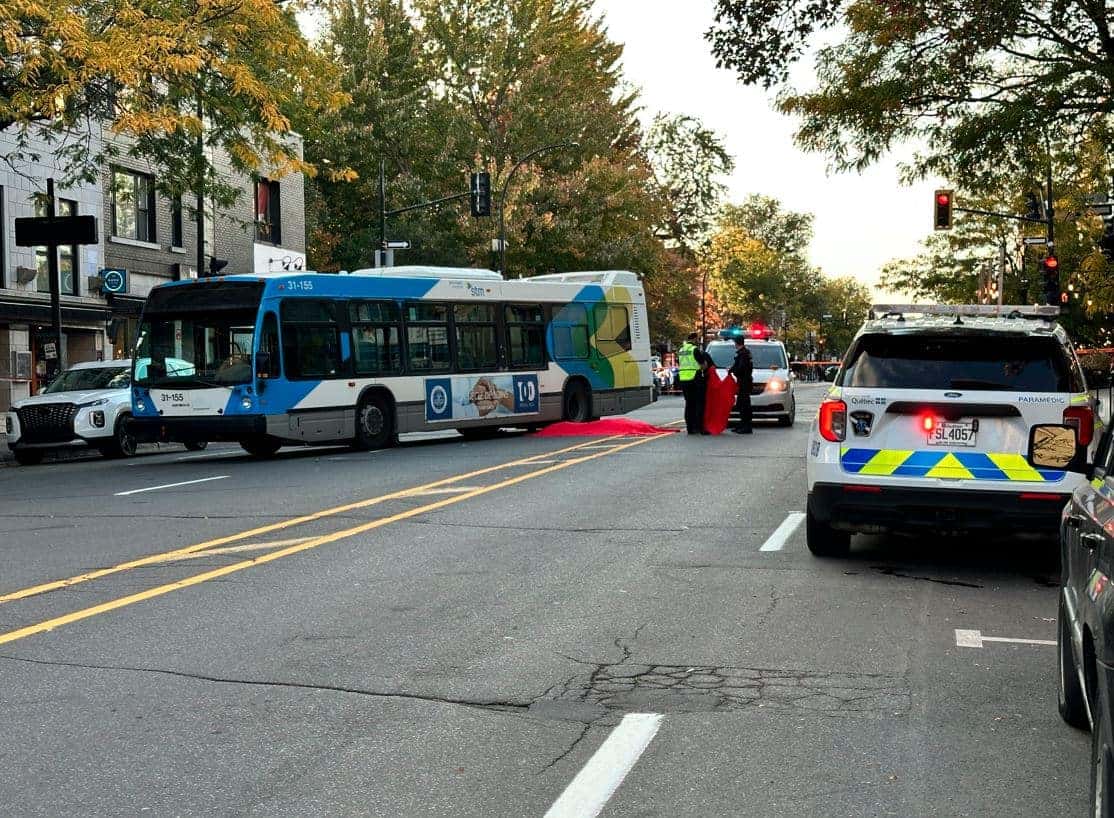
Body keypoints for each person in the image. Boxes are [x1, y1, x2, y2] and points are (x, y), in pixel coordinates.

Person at [677, 332, 710, 434]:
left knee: (689, 404)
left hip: (683, 379)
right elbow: (703, 365)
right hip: (695, 378)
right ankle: (700, 428)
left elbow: (680, 363)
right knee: (699, 403)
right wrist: (705, 367)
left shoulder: (681, 350)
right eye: (697, 339)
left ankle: (690, 428)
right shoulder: (694, 350)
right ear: (695, 339)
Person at [730, 335, 753, 434]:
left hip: (744, 382)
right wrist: (730, 370)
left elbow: (741, 368)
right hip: (744, 382)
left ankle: (746, 426)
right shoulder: (744, 353)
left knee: (744, 405)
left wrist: (733, 371)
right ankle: (743, 424)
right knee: (741, 403)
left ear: (736, 343)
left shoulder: (743, 354)